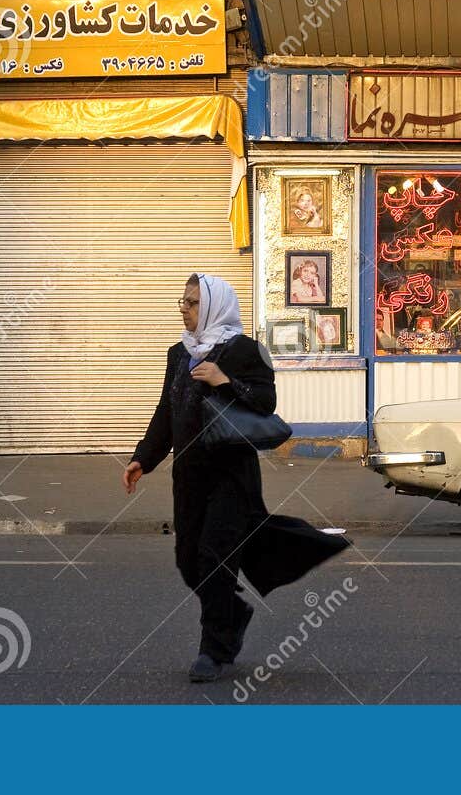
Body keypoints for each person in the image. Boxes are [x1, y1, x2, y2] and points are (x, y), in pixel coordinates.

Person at [124, 273, 350, 683]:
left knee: (214, 559)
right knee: (187, 561)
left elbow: (267, 402)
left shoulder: (245, 350)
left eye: (192, 302)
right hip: (189, 476)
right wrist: (144, 458)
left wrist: (224, 380)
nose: (184, 308)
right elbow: (166, 413)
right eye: (183, 301)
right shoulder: (179, 353)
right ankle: (233, 610)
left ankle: (214, 649)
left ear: (213, 306)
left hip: (231, 476)